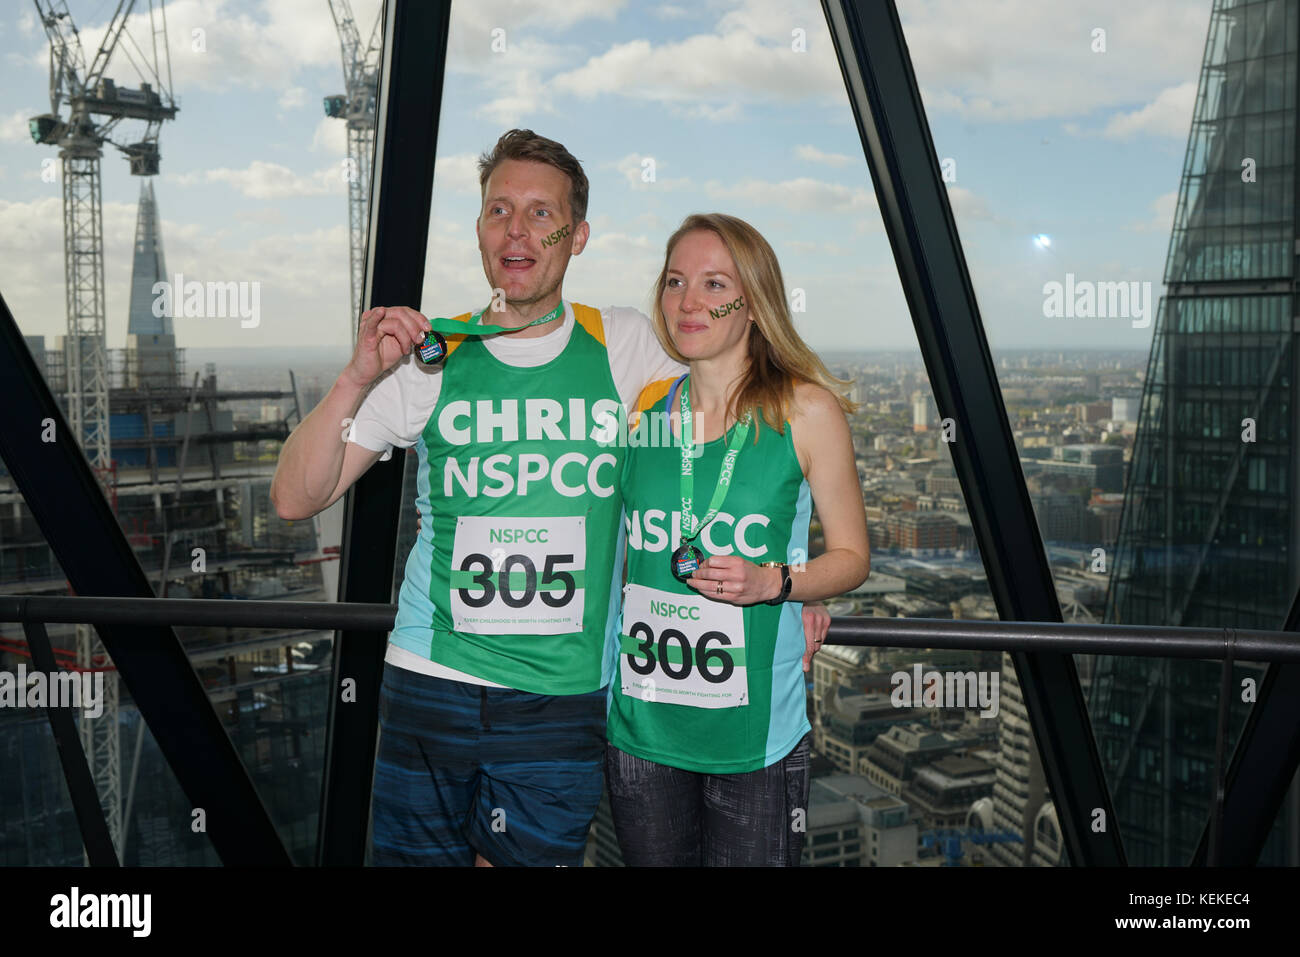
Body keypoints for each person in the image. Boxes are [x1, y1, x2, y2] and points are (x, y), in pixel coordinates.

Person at [271, 130, 828, 867]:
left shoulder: (625, 345)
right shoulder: (435, 355)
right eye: (499, 210)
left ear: (578, 236)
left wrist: (791, 586)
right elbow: (294, 495)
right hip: (431, 677)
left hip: (561, 699)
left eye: (542, 213)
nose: (517, 230)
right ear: (478, 231)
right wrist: (353, 379)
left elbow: (749, 419)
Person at [604, 212, 870, 867]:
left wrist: (780, 584)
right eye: (675, 281)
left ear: (754, 303)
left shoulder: (804, 411)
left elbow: (854, 557)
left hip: (756, 736)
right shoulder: (642, 409)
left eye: (713, 283)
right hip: (641, 726)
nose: (688, 301)